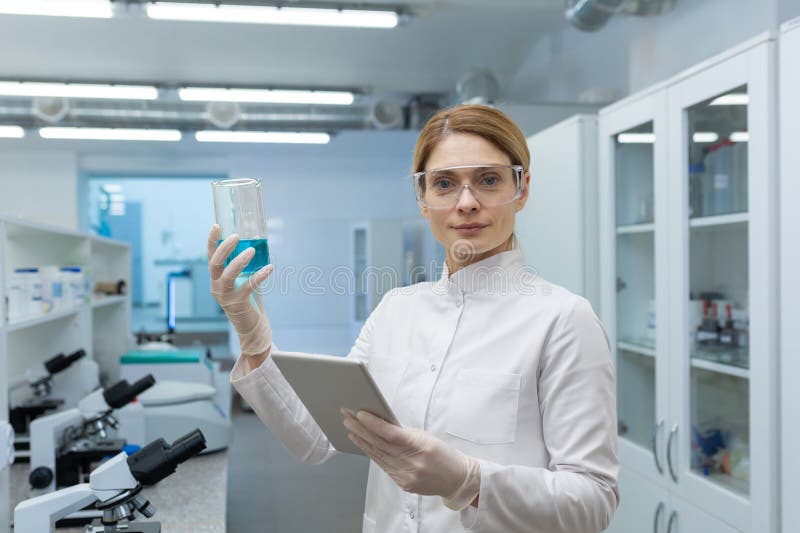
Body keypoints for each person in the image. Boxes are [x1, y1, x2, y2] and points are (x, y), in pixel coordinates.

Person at [207, 104, 619, 533]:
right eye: (444, 184)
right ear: (422, 199)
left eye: (489, 180)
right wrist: (252, 334)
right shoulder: (395, 310)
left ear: (523, 188)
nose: (466, 203)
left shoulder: (563, 320)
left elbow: (591, 504)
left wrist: (470, 481)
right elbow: (315, 439)